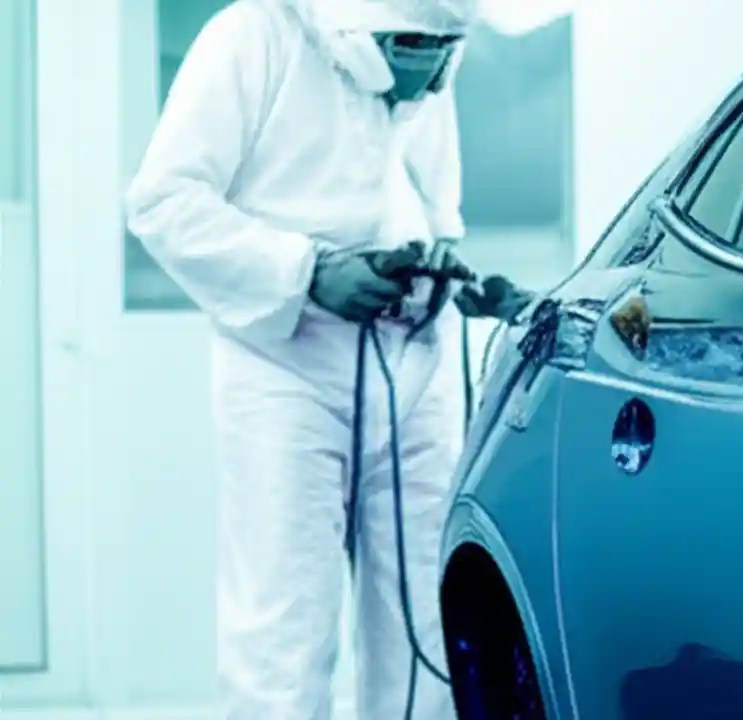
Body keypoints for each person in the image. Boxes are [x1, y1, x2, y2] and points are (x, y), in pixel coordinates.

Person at [125, 0, 489, 716]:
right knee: (284, 628)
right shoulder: (250, 40)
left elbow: (427, 204)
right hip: (286, 371)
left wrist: (435, 256)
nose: (429, 64)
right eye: (411, 44)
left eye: (444, 45)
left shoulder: (433, 48)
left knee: (428, 613)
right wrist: (308, 270)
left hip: (415, 359)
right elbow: (162, 202)